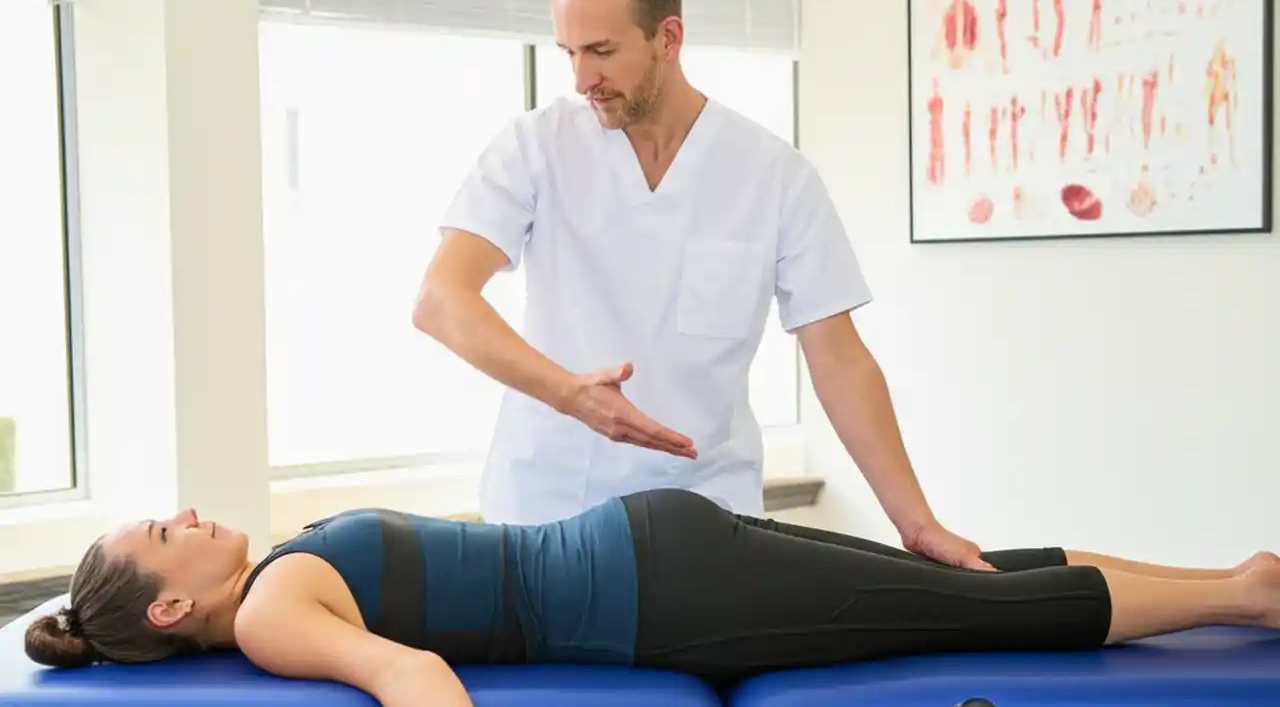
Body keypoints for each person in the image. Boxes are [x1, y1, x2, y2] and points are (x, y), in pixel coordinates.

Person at [412, 0, 989, 570]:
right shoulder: (535, 146)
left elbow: (839, 359)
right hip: (545, 517)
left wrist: (916, 523)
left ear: (668, 38)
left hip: (708, 522)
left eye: (602, 50)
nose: (583, 78)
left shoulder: (773, 175)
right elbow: (441, 299)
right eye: (569, 53)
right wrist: (573, 396)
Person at [23, 489, 1280, 707]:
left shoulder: (267, 597)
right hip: (649, 549)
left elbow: (413, 675)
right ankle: (1237, 586)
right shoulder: (269, 603)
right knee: (968, 579)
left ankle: (1243, 594)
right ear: (171, 607)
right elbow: (409, 665)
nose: (187, 515)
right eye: (163, 531)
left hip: (665, 592)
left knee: (978, 609)